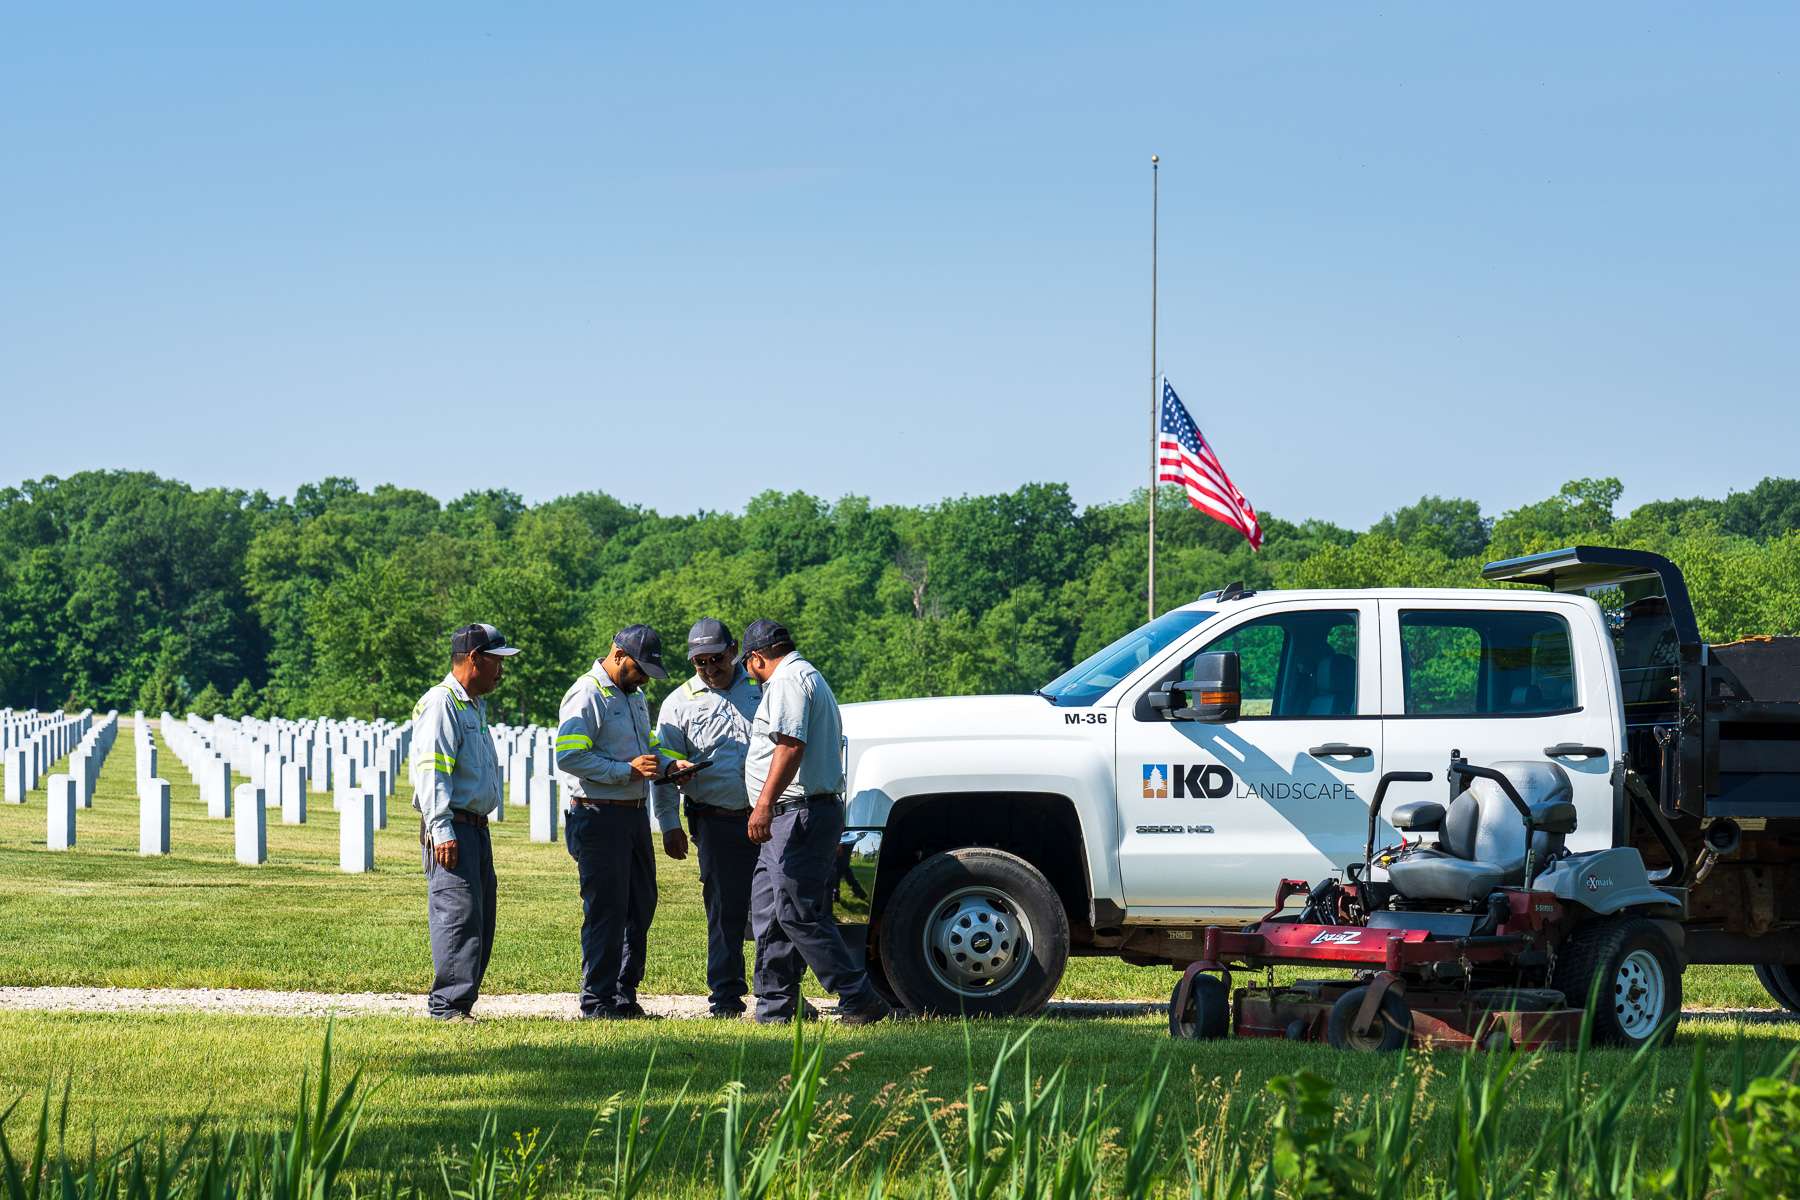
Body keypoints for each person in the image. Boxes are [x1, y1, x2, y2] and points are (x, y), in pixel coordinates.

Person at [740, 619, 891, 1026]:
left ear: (756, 658)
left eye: (747, 666)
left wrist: (764, 804)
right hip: (792, 816)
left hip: (795, 814)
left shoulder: (789, 681)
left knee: (799, 913)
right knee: (770, 910)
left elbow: (790, 747)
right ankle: (776, 1004)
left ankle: (858, 997)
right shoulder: (803, 676)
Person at [554, 625, 691, 1019]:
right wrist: (623, 772)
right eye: (641, 668)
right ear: (618, 655)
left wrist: (669, 765)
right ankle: (597, 1000)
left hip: (631, 816)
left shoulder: (634, 696)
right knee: (607, 910)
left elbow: (646, 750)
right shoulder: (587, 693)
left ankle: (623, 993)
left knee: (640, 905)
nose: (645, 677)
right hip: (598, 815)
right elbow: (568, 756)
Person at [650, 618, 763, 1018]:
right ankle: (726, 996)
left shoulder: (760, 687)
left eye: (717, 659)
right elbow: (661, 768)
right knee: (724, 910)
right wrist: (668, 824)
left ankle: (777, 993)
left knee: (776, 909)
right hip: (715, 820)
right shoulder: (679, 702)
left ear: (734, 651)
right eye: (700, 662)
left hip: (766, 816)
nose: (711, 669)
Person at [409, 622, 519, 1022]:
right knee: (457, 915)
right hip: (452, 824)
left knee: (480, 915)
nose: (501, 671)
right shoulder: (442, 703)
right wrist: (441, 828)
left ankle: (462, 1003)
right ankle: (447, 1007)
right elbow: (432, 771)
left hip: (475, 825)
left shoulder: (472, 704)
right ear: (474, 659)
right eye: (497, 662)